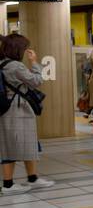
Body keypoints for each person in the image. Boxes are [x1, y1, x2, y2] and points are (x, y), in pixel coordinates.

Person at [0, 34, 55, 193]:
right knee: (13, 146)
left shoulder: (2, 64)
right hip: (18, 110)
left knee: (23, 144)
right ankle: (9, 185)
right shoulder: (15, 66)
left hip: (6, 110)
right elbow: (37, 80)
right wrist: (34, 63)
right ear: (17, 49)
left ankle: (32, 178)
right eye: (24, 48)